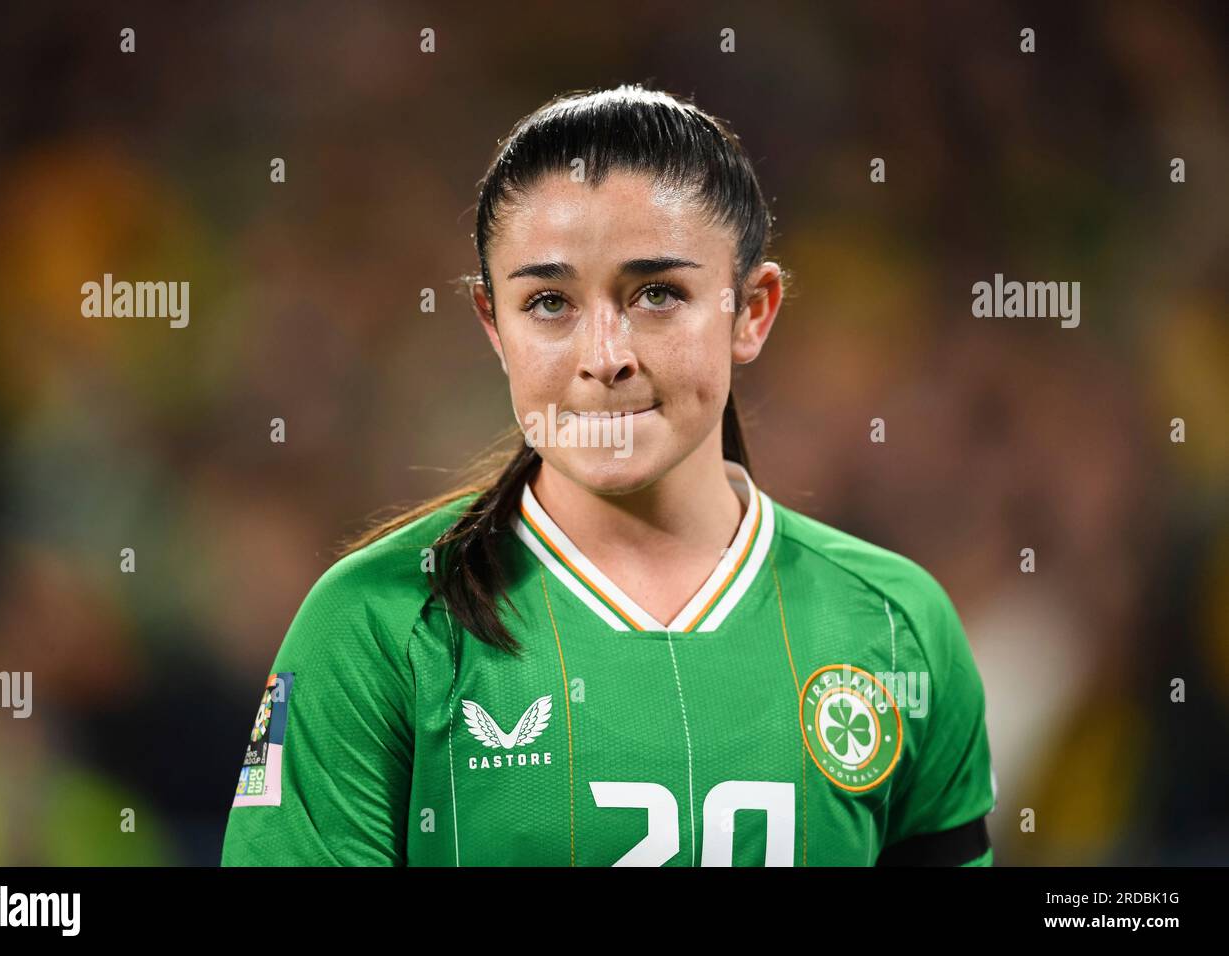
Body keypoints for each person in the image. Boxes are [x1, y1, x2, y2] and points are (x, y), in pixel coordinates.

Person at [221, 84, 996, 866]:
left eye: (658, 294)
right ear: (494, 325)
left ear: (752, 310)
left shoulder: (899, 628)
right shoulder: (374, 628)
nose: (603, 357)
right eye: (549, 302)